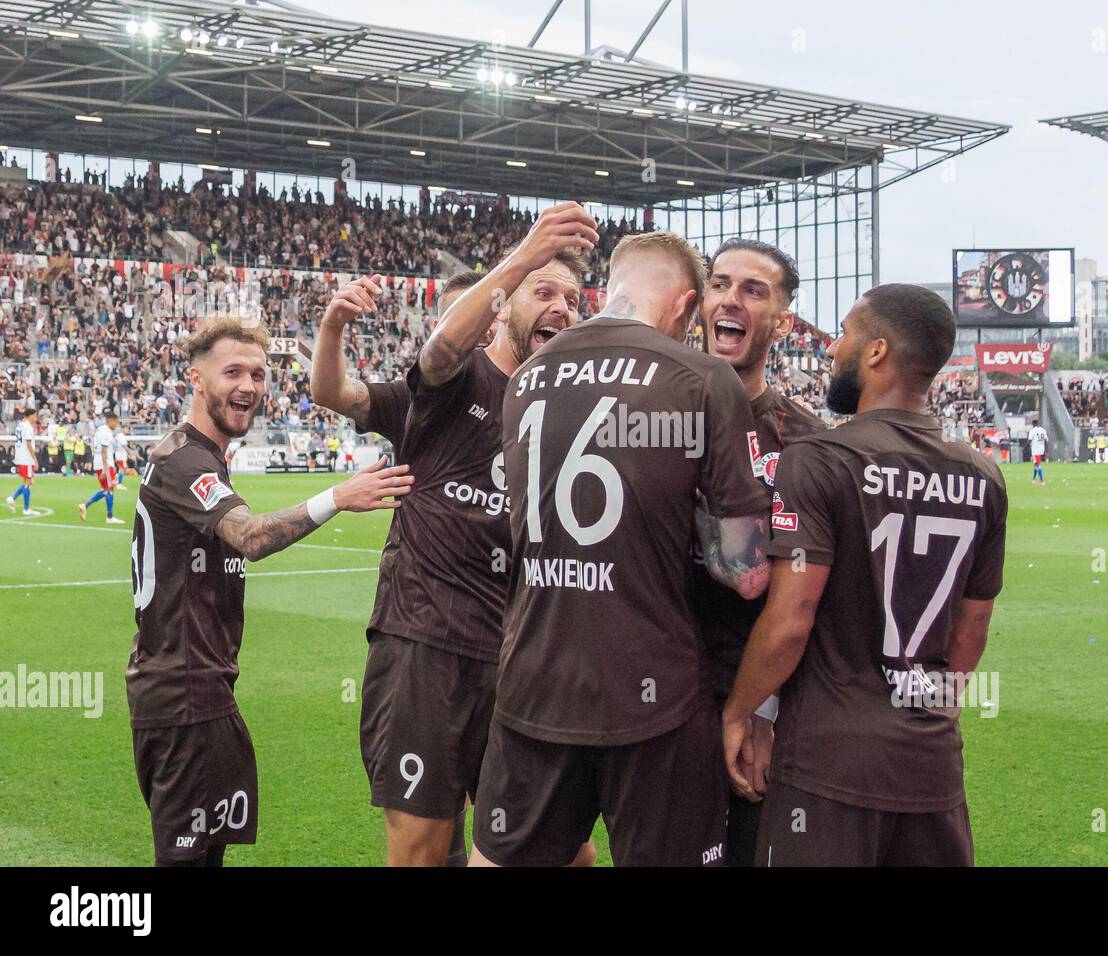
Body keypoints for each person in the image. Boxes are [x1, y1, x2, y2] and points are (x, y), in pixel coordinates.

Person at [471, 230, 773, 868]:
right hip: (653, 692)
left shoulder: (525, 377)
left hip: (533, 676)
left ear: (611, 288)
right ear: (685, 305)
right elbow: (744, 571)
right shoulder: (702, 377)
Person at [310, 205, 599, 868]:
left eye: (573, 299)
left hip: (517, 655)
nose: (561, 307)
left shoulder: (563, 406)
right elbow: (432, 354)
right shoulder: (457, 379)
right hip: (427, 647)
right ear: (502, 306)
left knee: (561, 847)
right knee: (421, 848)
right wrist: (525, 253)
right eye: (543, 292)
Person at [722, 284, 1007, 866]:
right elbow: (971, 634)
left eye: (845, 334)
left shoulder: (820, 459)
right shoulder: (984, 475)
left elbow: (790, 623)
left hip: (831, 764)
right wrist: (929, 714)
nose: (831, 350)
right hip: (930, 763)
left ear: (876, 352)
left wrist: (737, 711)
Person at [127, 317, 414, 867]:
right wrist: (339, 496)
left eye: (258, 374)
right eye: (232, 372)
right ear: (196, 378)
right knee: (186, 860)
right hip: (184, 697)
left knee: (203, 855)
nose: (249, 386)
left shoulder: (196, 456)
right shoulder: (184, 458)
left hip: (193, 691)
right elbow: (250, 537)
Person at [694, 238, 826, 866]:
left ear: (783, 321)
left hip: (754, 702)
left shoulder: (805, 440)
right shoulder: (642, 415)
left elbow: (807, 597)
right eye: (720, 284)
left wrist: (764, 708)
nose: (731, 299)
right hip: (655, 696)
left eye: (754, 290)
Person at [79, 411, 123, 524]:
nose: (117, 424)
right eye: (116, 422)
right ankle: (110, 517)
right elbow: (104, 450)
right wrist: (105, 467)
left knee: (105, 489)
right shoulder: (106, 432)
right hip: (106, 462)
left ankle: (85, 505)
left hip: (99, 461)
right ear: (111, 421)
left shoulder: (101, 430)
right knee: (110, 489)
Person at [5, 407, 39, 515]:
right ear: (31, 416)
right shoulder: (28, 427)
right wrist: (35, 460)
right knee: (27, 483)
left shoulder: (20, 425)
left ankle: (12, 498)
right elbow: (29, 445)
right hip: (26, 458)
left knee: (29, 482)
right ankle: (26, 508)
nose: (36, 417)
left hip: (20, 456)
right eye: (35, 415)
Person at [1027, 417, 1048, 484]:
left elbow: (1029, 440)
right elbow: (1046, 440)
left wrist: (1025, 447)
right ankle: (1033, 479)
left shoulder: (1032, 431)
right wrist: (1046, 451)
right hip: (1041, 449)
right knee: (1036, 464)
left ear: (1033, 424)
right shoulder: (1043, 430)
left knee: (1038, 464)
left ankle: (1042, 480)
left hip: (1035, 450)